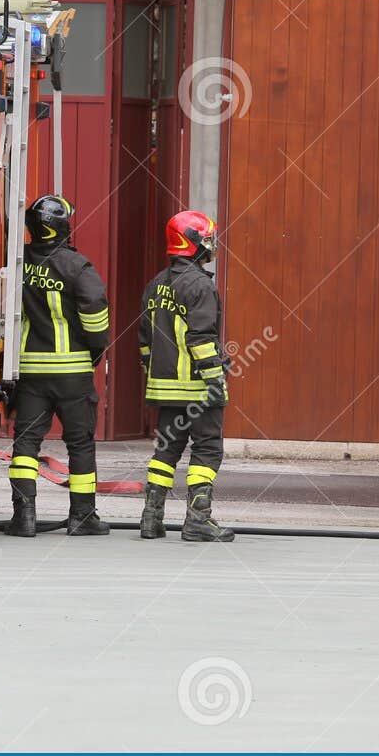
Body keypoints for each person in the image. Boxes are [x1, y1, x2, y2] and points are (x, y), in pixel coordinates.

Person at [5, 195, 111, 537]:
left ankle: (23, 518)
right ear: (62, 224)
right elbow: (94, 310)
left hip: (30, 371)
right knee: (79, 443)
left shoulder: (17, 264)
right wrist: (96, 350)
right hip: (72, 373)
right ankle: (82, 517)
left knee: (26, 443)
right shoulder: (76, 265)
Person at [138, 210, 233, 542]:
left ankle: (151, 518)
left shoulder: (155, 284)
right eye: (206, 239)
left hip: (165, 388)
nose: (211, 245)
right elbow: (201, 340)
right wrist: (215, 381)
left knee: (167, 449)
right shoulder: (200, 287)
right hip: (197, 388)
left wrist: (158, 375)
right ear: (192, 243)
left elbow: (145, 343)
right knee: (207, 449)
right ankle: (198, 520)